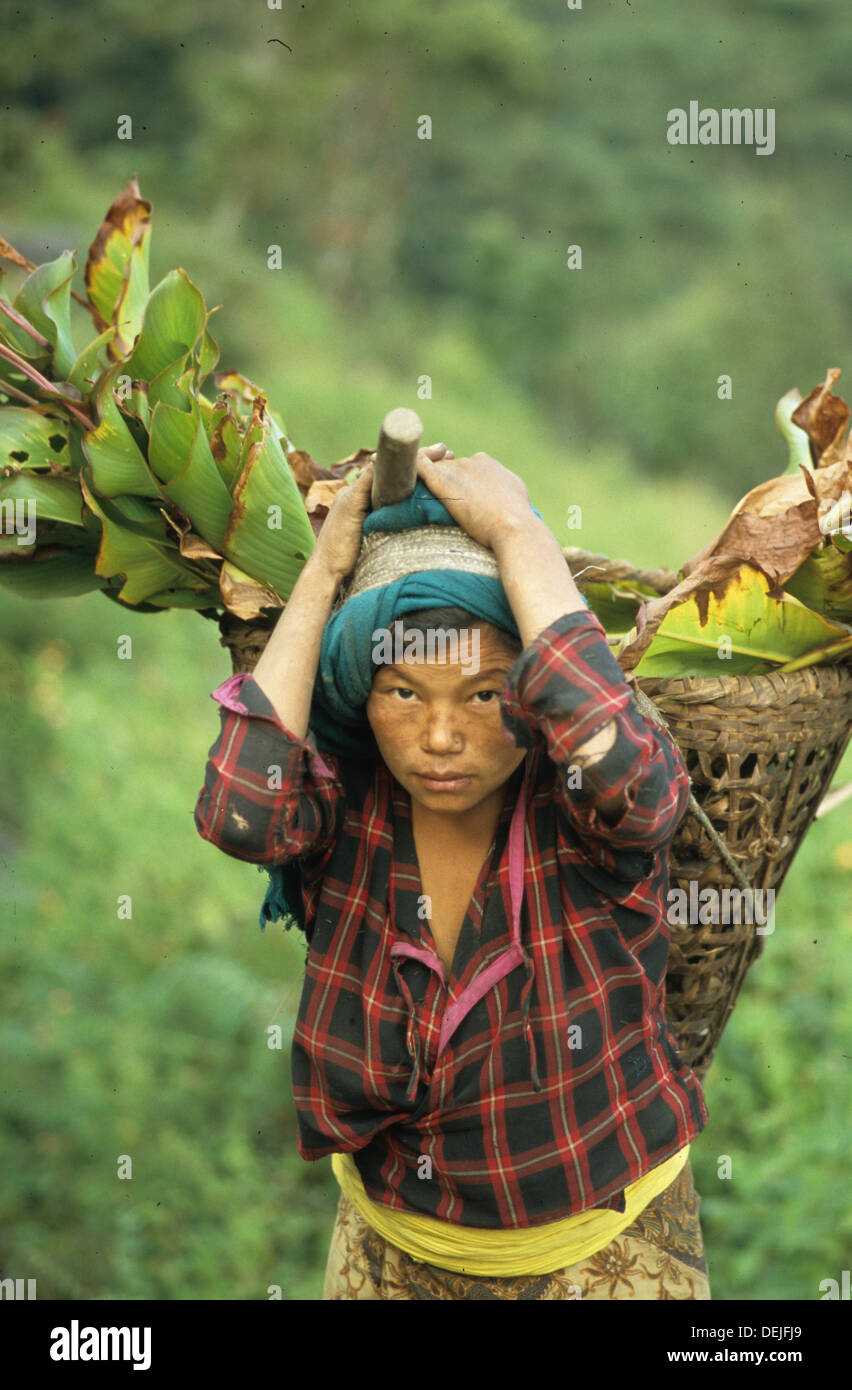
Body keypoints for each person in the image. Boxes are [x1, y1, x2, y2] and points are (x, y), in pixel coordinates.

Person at [194, 444, 711, 1299]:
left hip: (606, 1254)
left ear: (530, 694)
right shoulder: (347, 806)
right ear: (360, 693)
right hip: (391, 1252)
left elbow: (637, 784)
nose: (439, 739)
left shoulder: (581, 811)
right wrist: (324, 574)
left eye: (482, 695)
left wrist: (518, 534)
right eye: (402, 693)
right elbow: (239, 810)